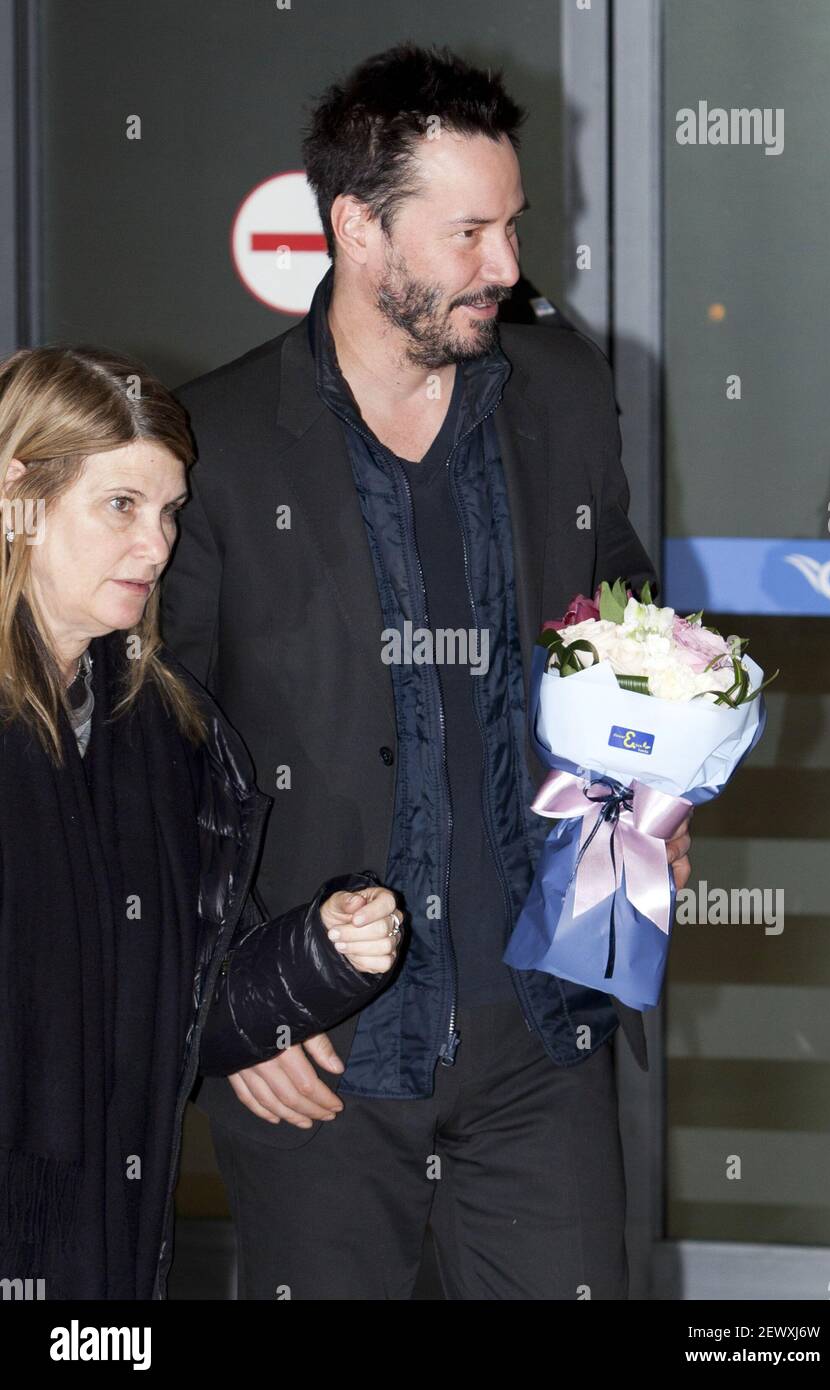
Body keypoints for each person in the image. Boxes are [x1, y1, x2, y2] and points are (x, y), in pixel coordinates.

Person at [160, 42, 692, 1301]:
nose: (506, 266)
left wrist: (654, 803)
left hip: (542, 1038)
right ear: (356, 228)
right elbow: (155, 751)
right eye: (468, 233)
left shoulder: (562, 390)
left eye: (512, 226)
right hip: (324, 1056)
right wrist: (229, 1000)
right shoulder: (218, 445)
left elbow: (625, 622)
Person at [0, 344, 404, 1300]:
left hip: (109, 1244)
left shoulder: (165, 732)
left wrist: (314, 955)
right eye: (121, 507)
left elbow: (172, 1016)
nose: (158, 546)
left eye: (171, 511)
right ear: (18, 495)